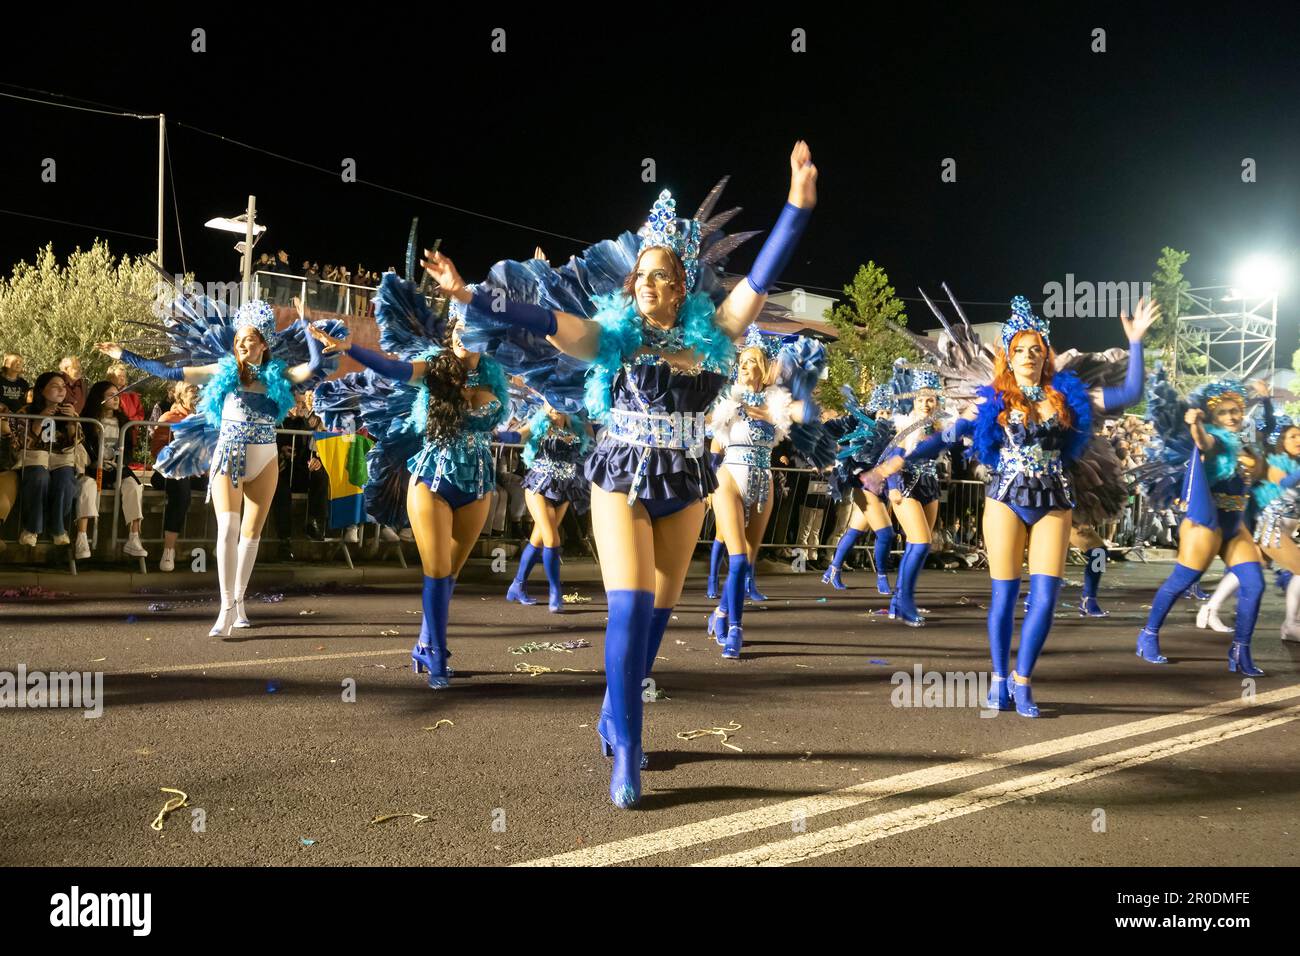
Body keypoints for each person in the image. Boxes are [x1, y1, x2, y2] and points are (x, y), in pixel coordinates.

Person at [449, 142, 818, 807]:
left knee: (657, 619)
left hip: (685, 479)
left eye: (664, 275)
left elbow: (758, 285)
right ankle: (628, 751)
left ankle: (616, 714)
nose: (651, 283)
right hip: (620, 472)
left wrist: (794, 208)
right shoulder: (610, 336)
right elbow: (547, 321)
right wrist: (473, 295)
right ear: (634, 284)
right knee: (628, 607)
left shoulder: (715, 335)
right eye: (643, 274)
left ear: (682, 285)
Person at [872, 294, 1153, 715]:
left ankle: (1023, 681)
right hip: (1005, 500)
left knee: (1045, 598)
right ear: (1008, 356)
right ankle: (999, 679)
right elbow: (949, 436)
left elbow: (1131, 392)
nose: (1027, 356)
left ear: (1046, 357)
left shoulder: (1068, 401)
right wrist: (903, 458)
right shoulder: (995, 402)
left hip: (1055, 500)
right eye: (1019, 350)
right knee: (1004, 596)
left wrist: (1136, 342)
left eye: (1035, 350)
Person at [310, 274, 510, 690]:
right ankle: (437, 652)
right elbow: (395, 368)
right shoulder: (435, 368)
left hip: (478, 485)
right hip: (432, 477)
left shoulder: (495, 377)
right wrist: (353, 350)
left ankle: (424, 641)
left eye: (470, 329)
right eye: (456, 326)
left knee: (451, 572)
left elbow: (507, 423)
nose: (460, 335)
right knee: (436, 570)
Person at [99, 295, 333, 635]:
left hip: (265, 458)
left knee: (251, 537)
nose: (241, 346)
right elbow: (167, 370)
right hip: (229, 455)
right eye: (238, 341)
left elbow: (312, 366)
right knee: (227, 530)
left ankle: (240, 603)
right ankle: (225, 609)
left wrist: (306, 323)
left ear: (263, 345)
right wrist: (124, 355)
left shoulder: (278, 376)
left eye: (248, 341)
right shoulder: (221, 372)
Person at [1133, 373, 1268, 675]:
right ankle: (1149, 634)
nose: (1232, 416)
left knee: (1254, 584)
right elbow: (1203, 442)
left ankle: (1240, 650)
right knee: (1181, 581)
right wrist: (1195, 424)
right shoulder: (1216, 439)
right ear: (1212, 415)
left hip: (1235, 524)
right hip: (1206, 524)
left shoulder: (1246, 442)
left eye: (1236, 410)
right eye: (1223, 411)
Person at [706, 330, 823, 657]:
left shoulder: (777, 403)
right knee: (738, 554)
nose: (744, 367)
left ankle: (721, 612)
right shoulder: (729, 399)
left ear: (763, 367)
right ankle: (735, 630)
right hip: (728, 474)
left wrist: (801, 393)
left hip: (762, 477)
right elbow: (715, 443)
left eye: (750, 362)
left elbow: (807, 413)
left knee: (747, 561)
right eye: (741, 362)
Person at [502, 402, 593, 611]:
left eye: (559, 406)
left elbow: (593, 439)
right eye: (550, 405)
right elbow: (518, 436)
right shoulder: (540, 423)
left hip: (565, 489)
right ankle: (555, 592)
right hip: (539, 487)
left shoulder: (577, 426)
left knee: (538, 539)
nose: (554, 411)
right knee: (552, 538)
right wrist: (497, 434)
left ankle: (517, 585)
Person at [877, 363, 946, 626]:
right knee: (920, 542)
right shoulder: (907, 425)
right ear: (914, 401)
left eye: (931, 399)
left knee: (916, 546)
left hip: (930, 485)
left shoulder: (939, 425)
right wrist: (893, 486)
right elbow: (893, 457)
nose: (926, 404)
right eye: (921, 399)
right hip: (906, 484)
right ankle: (906, 602)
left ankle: (897, 601)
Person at [77, 380, 148, 560]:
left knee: (133, 486)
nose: (116, 399)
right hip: (92, 467)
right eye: (111, 395)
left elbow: (129, 449)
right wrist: (93, 462)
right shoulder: (88, 421)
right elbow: (83, 446)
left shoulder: (124, 421)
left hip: (116, 467)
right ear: (99, 398)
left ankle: (134, 537)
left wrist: (120, 460)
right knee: (87, 487)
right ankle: (82, 537)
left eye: (118, 395)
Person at [16, 371, 81, 547]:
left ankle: (58, 528)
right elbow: (21, 443)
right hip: (35, 460)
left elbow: (76, 443)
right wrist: (41, 417)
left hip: (61, 460)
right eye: (54, 386)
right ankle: (31, 528)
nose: (61, 390)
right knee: (39, 477)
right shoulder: (26, 411)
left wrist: (71, 422)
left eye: (63, 386)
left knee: (66, 479)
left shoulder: (70, 412)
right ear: (42, 390)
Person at [150, 381, 200, 571]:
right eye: (190, 390)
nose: (195, 393)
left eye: (197, 389)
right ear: (180, 396)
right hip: (170, 471)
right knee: (181, 492)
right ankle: (168, 550)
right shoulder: (169, 417)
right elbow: (157, 450)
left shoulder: (204, 417)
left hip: (196, 471)